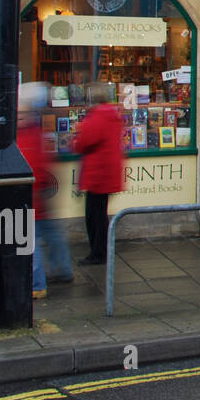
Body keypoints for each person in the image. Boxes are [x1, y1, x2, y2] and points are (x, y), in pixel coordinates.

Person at [18, 82, 73, 298]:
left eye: (21, 113)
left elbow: (36, 163)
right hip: (40, 192)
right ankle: (63, 270)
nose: (19, 117)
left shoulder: (27, 136)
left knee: (32, 242)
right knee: (51, 234)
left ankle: (37, 285)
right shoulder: (34, 133)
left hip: (33, 194)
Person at [72, 84, 126, 265]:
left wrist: (77, 133)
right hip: (107, 171)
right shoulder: (111, 114)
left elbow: (82, 143)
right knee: (99, 213)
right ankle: (100, 251)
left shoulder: (97, 117)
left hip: (98, 173)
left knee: (95, 216)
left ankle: (98, 253)